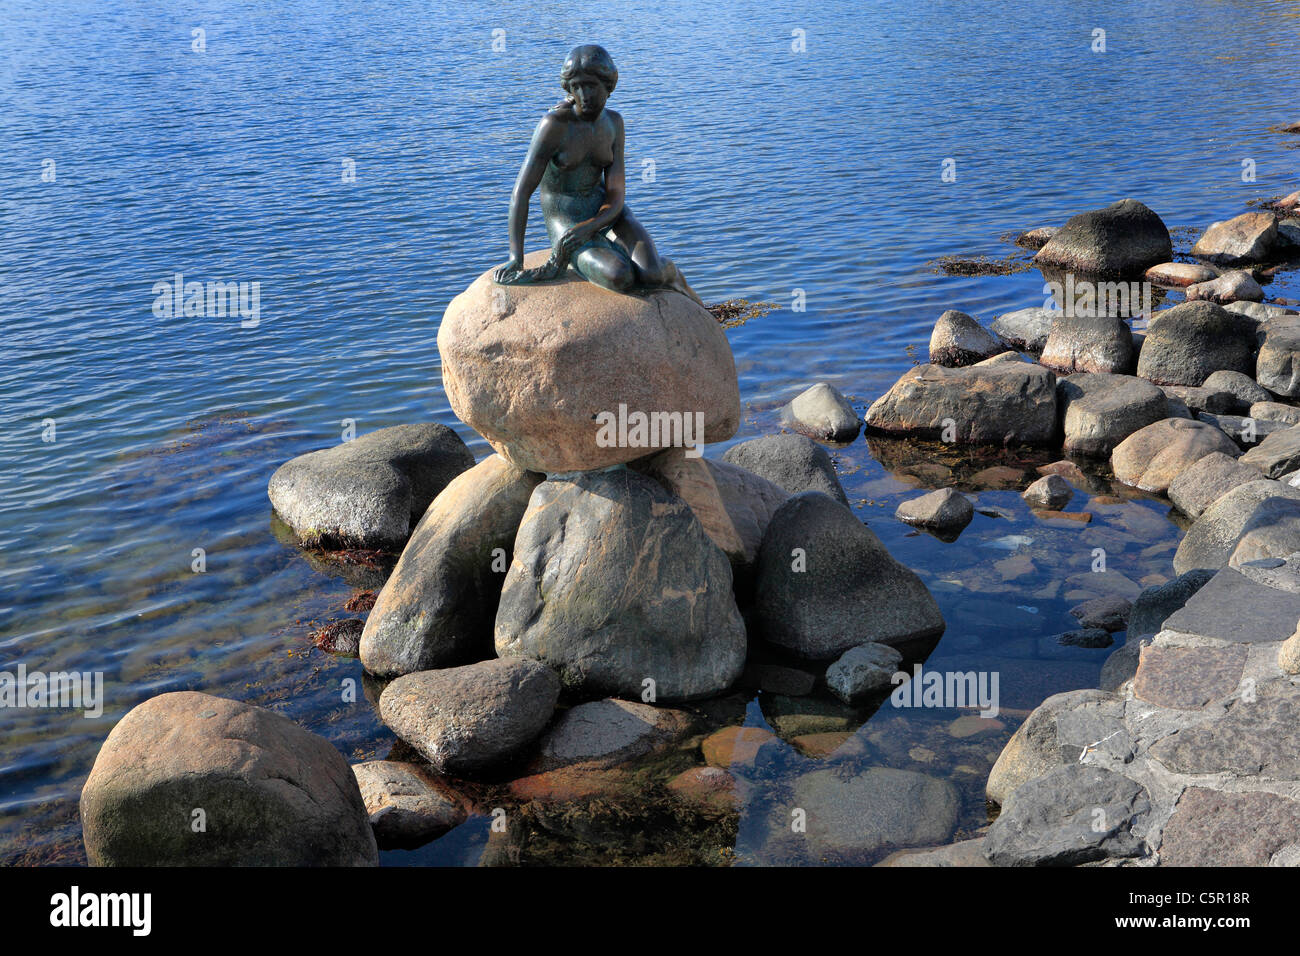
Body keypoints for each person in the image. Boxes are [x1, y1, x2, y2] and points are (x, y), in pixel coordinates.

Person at [494, 44, 696, 300]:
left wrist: (594, 225)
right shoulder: (554, 126)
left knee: (651, 274)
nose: (583, 94)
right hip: (566, 222)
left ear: (608, 85)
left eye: (590, 86)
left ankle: (672, 274)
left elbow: (615, 194)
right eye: (576, 86)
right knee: (619, 276)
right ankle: (601, 254)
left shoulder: (614, 123)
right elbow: (520, 193)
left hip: (607, 213)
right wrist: (516, 257)